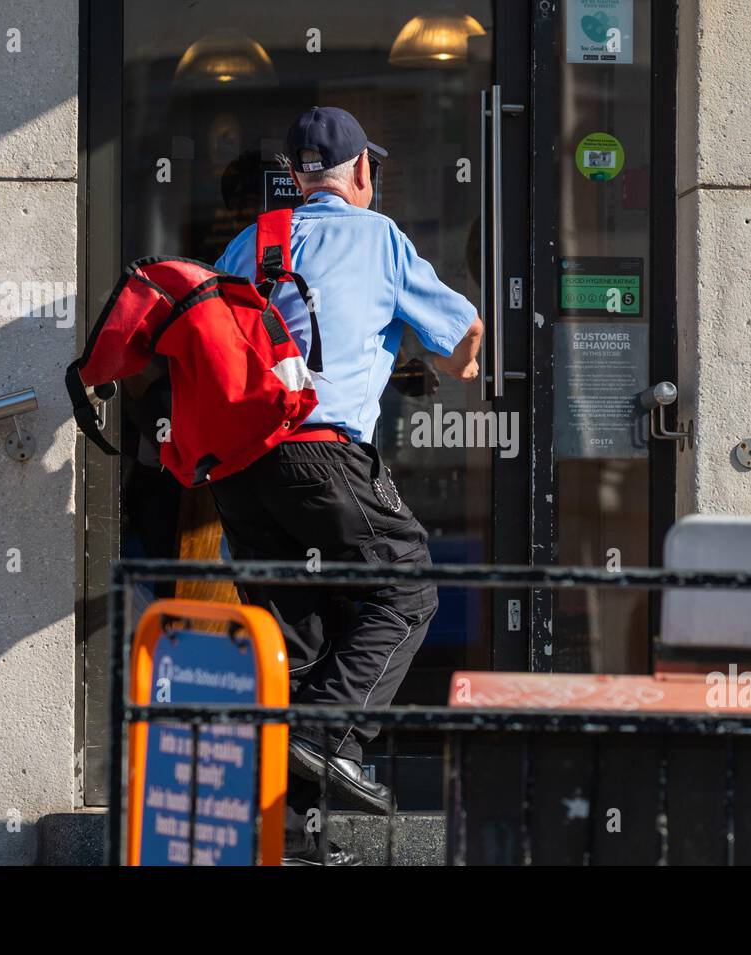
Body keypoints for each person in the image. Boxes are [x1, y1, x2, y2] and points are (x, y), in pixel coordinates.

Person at [210, 106, 483, 865]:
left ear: (298, 178)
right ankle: (326, 735)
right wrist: (456, 364)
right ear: (362, 171)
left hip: (241, 470)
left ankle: (300, 837)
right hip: (321, 454)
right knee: (407, 586)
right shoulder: (380, 237)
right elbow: (463, 343)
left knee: (296, 638)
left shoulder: (246, 243)